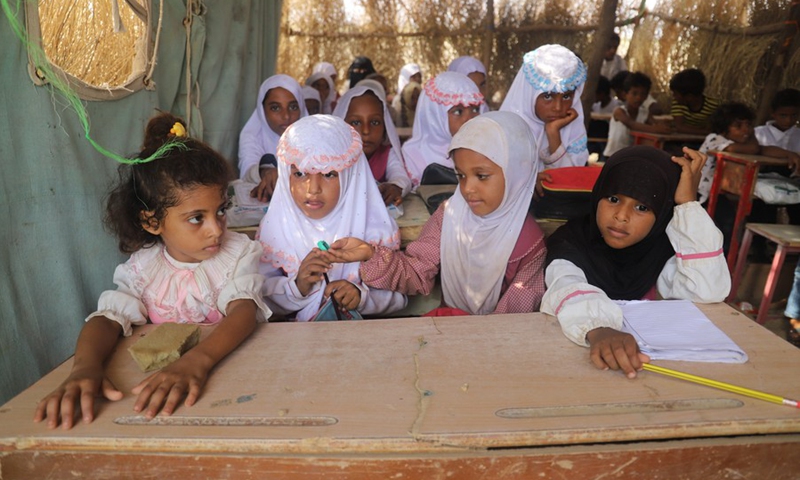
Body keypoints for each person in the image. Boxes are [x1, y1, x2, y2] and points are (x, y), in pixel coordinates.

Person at [34, 113, 271, 429]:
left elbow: (243, 311)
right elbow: (108, 318)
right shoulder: (144, 267)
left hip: (223, 382)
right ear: (151, 222)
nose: (216, 229)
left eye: (221, 211)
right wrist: (84, 368)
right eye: (197, 218)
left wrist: (196, 362)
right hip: (156, 393)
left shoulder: (238, 252)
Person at [325, 111, 547, 315]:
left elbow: (511, 321)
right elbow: (416, 272)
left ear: (518, 173)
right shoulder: (450, 216)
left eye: (481, 176)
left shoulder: (530, 244)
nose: (467, 188)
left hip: (496, 344)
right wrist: (370, 255)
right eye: (460, 175)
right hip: (448, 326)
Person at [541, 145, 731, 377]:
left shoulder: (660, 248)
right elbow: (566, 284)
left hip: (641, 370)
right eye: (613, 199)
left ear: (663, 212)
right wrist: (598, 329)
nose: (621, 216)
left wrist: (687, 204)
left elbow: (706, 290)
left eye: (642, 207)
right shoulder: (571, 242)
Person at [258, 115, 407, 321]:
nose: (313, 189)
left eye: (329, 174)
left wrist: (361, 298)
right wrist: (297, 287)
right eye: (300, 174)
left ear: (351, 175)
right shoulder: (276, 227)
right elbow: (258, 294)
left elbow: (400, 295)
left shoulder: (375, 228)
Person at [500, 44, 590, 172]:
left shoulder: (572, 126)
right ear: (529, 94)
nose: (558, 108)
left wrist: (553, 133)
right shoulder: (506, 129)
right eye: (547, 96)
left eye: (566, 97)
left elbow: (570, 177)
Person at [696, 102, 800, 205]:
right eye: (738, 126)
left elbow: (762, 150)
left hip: (728, 187)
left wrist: (788, 154)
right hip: (704, 192)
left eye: (749, 125)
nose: (746, 129)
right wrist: (752, 136)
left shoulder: (742, 143)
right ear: (723, 129)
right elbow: (754, 149)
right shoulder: (714, 139)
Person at [333, 84, 412, 205]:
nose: (366, 130)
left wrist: (395, 187)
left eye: (375, 122)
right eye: (356, 122)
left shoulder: (386, 154)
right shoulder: (331, 157)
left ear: (385, 127)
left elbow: (400, 176)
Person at [402, 71, 484, 187]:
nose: (469, 119)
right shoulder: (412, 154)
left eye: (475, 110)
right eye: (458, 111)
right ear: (435, 115)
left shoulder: (482, 148)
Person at [238, 74, 308, 202]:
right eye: (275, 108)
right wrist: (264, 171)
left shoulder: (312, 136)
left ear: (301, 108)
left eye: (293, 107)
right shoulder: (252, 135)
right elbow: (247, 169)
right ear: (262, 110)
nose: (286, 116)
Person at [604, 72, 672, 158]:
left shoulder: (644, 113)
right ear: (625, 95)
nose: (638, 98)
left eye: (643, 94)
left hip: (630, 155)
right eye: (634, 93)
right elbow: (632, 124)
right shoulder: (619, 112)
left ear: (647, 96)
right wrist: (657, 129)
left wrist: (663, 127)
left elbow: (654, 123)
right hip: (612, 155)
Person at [669, 68, 719, 135]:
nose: (674, 96)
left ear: (689, 96)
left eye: (675, 93)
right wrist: (706, 132)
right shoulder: (678, 104)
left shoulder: (713, 105)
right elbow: (680, 127)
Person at [755, 88, 800, 153]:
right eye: (783, 115)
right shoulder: (757, 134)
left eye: (794, 115)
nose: (788, 120)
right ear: (772, 113)